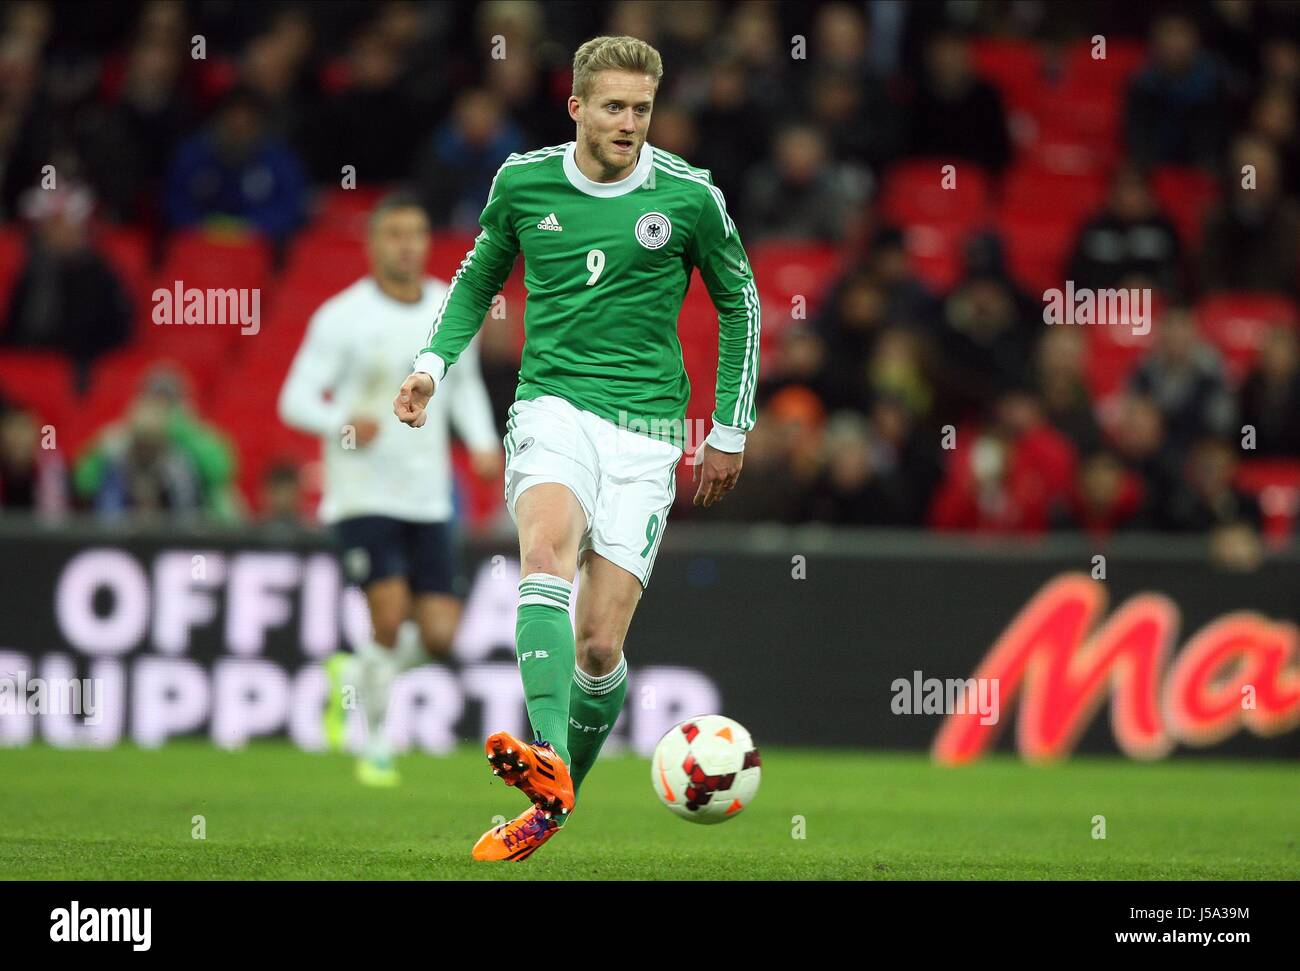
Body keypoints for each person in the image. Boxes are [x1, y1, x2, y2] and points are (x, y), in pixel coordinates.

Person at [393, 35, 759, 861]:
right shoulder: (523, 181)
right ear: (578, 107)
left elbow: (743, 302)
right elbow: (478, 277)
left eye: (642, 108)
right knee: (545, 554)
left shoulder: (690, 197)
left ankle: (554, 800)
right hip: (552, 403)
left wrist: (730, 428)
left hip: (652, 429)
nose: (630, 123)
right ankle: (548, 753)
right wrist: (429, 365)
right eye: (614, 107)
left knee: (600, 645)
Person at [279, 192, 501, 787]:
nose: (407, 245)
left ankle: (356, 677)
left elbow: (467, 384)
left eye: (417, 234)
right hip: (361, 492)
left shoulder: (449, 309)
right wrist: (343, 423)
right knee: (387, 614)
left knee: (439, 634)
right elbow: (294, 399)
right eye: (395, 234)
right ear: (374, 244)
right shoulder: (341, 317)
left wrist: (482, 441)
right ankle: (375, 743)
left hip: (429, 494)